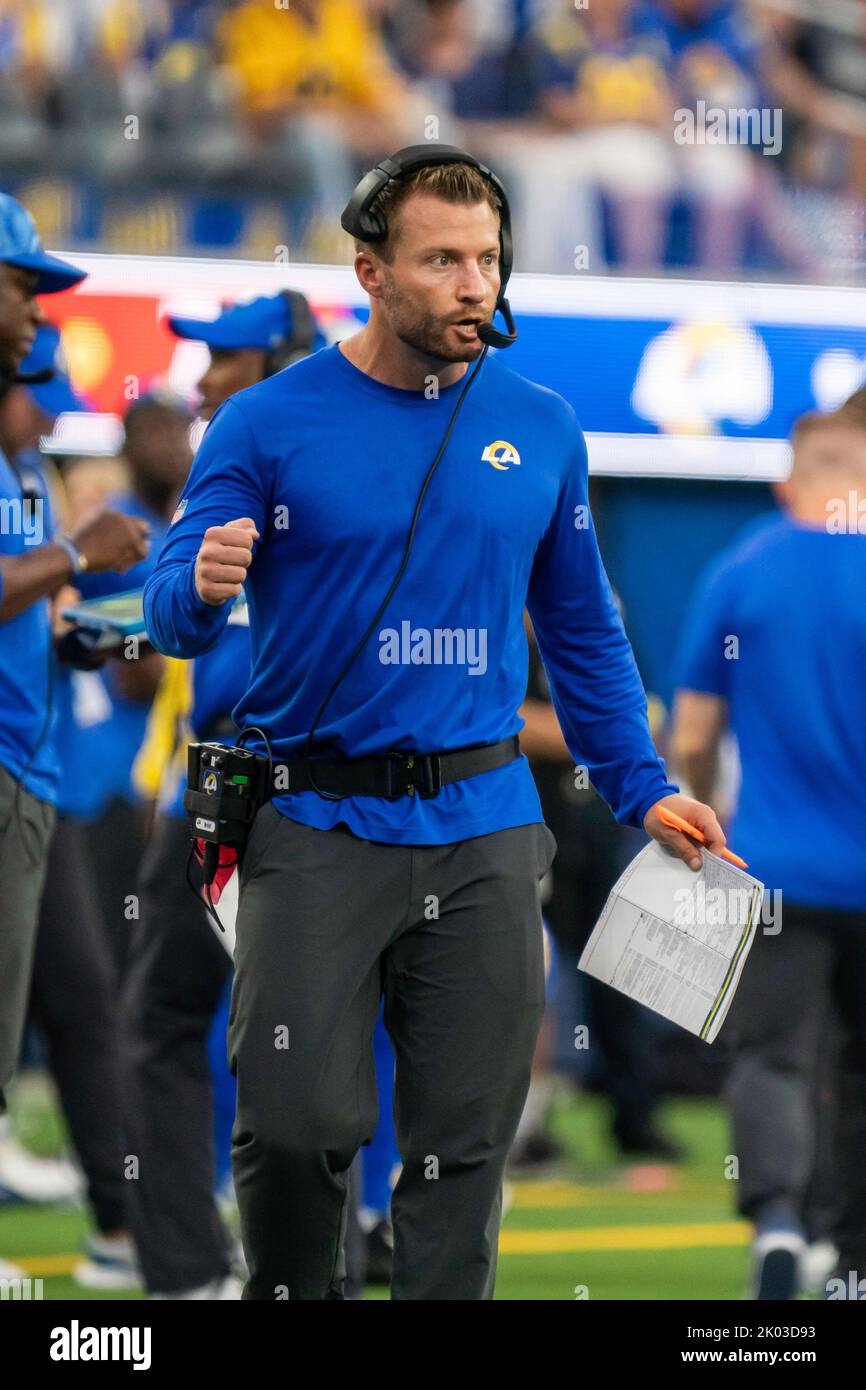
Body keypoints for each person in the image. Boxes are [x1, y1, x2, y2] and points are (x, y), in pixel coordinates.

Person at [143, 144, 725, 1301]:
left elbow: (584, 629)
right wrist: (201, 586)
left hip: (486, 827)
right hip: (310, 822)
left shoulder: (544, 426)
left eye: (489, 260)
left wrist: (641, 783)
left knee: (461, 1153)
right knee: (299, 1124)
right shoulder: (261, 421)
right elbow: (168, 615)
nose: (475, 285)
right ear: (370, 270)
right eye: (443, 260)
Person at [121, 290, 324, 1299]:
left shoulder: (251, 464)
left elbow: (195, 645)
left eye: (224, 359)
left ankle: (191, 1270)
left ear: (280, 359)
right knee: (306, 1031)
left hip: (237, 778)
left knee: (167, 1021)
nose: (202, 380)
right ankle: (307, 1251)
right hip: (314, 780)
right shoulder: (364, 448)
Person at [671, 409, 866, 1299]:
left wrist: (698, 828)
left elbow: (694, 736)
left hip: (772, 871)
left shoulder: (740, 570)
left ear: (790, 481)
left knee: (773, 1057)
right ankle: (850, 1258)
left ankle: (781, 1225)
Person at [0, 191, 149, 1120]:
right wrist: (76, 554)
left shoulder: (22, 475)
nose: (34, 318)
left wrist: (85, 630)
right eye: (23, 291)